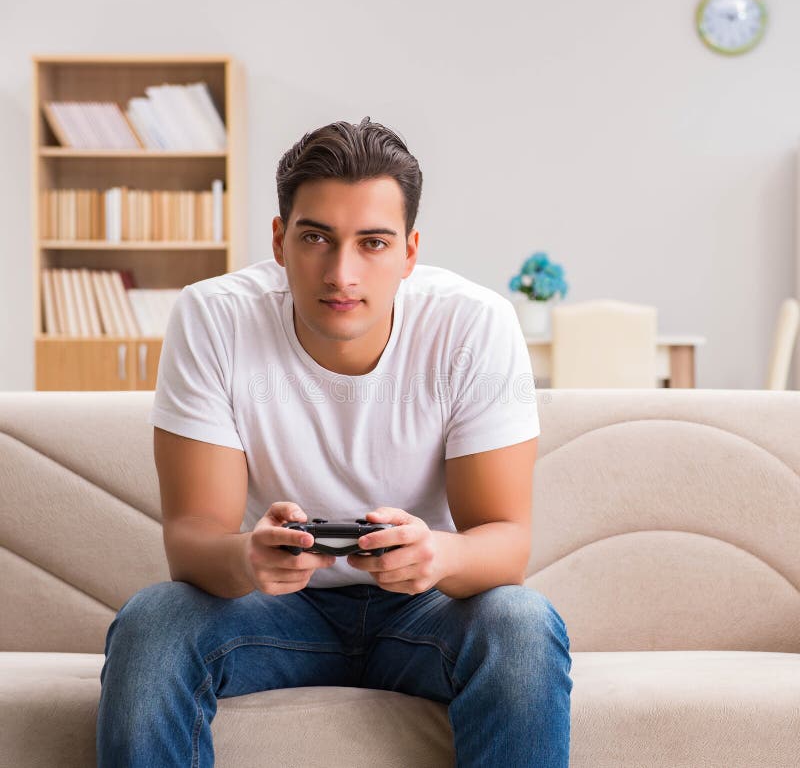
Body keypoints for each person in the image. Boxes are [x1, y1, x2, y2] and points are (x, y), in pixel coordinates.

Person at [96, 116, 573, 767]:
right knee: (154, 619)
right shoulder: (214, 318)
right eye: (316, 237)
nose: (341, 272)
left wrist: (433, 555)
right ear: (279, 240)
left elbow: (506, 545)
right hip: (274, 610)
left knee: (521, 622)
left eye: (372, 243)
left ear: (409, 252)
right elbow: (191, 542)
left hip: (424, 610)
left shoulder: (474, 324)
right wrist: (249, 558)